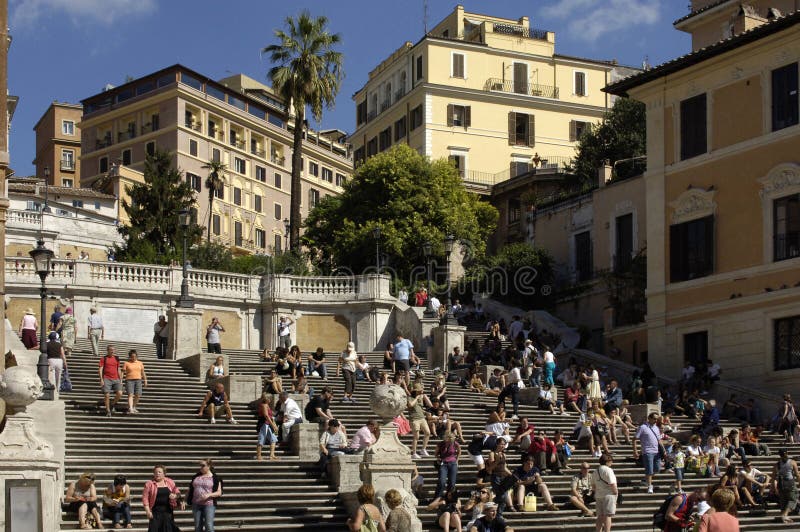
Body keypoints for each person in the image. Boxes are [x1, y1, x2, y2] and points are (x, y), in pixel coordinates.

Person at [142, 464, 184, 532]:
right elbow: (145, 498)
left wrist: (175, 496)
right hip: (155, 512)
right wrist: (147, 511)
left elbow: (178, 493)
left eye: (159, 472)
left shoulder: (169, 481)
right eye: (155, 472)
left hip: (168, 512)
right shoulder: (149, 484)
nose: (157, 474)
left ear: (164, 473)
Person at [187, 458, 222, 532]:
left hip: (209, 504)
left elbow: (219, 492)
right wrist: (184, 500)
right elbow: (190, 489)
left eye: (203, 465)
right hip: (196, 504)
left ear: (209, 466)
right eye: (200, 465)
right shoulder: (196, 477)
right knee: (197, 526)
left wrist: (209, 495)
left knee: (209, 525)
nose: (201, 467)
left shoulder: (215, 478)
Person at [632, 412, 663, 493]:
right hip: (647, 451)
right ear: (649, 418)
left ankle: (645, 480)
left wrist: (664, 450)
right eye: (654, 418)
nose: (656, 420)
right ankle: (649, 486)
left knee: (657, 469)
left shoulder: (656, 428)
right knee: (649, 470)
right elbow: (634, 439)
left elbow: (659, 440)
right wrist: (635, 451)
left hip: (657, 451)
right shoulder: (642, 427)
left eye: (657, 419)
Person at [428, 432, 460, 508]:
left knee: (452, 483)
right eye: (448, 440)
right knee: (442, 481)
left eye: (450, 441)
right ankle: (436, 499)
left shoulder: (455, 444)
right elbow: (435, 454)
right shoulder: (440, 444)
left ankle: (450, 500)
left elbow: (459, 452)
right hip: (443, 463)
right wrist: (438, 458)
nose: (449, 442)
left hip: (453, 463)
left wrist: (457, 460)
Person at [590, 453, 618, 532]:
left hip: (599, 495)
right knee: (608, 516)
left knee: (600, 516)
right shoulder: (608, 470)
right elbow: (612, 484)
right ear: (607, 461)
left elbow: (593, 486)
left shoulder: (595, 471)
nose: (612, 462)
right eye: (611, 461)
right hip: (608, 495)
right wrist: (616, 494)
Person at [773, 448, 800, 523]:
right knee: (793, 500)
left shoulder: (777, 464)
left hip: (781, 484)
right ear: (787, 453)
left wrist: (773, 488)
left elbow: (773, 477)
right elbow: (797, 474)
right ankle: (785, 515)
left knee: (783, 501)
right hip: (790, 483)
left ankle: (784, 517)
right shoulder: (792, 462)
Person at [408, 385, 432, 459]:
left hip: (422, 418)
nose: (422, 391)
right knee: (416, 436)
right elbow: (410, 405)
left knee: (428, 433)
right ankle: (414, 453)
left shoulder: (421, 398)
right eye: (421, 390)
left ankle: (423, 449)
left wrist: (425, 412)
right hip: (414, 419)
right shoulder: (410, 397)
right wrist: (416, 398)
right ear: (416, 391)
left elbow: (430, 405)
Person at [99, 345, 123, 417]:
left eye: (113, 350)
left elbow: (118, 369)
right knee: (107, 395)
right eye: (111, 350)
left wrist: (121, 379)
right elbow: (100, 369)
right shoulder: (104, 358)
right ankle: (108, 410)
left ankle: (112, 404)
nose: (112, 351)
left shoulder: (116, 358)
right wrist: (101, 379)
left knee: (120, 393)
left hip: (116, 378)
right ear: (108, 350)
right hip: (106, 378)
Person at [256, 393, 280, 461]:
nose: (271, 400)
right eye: (270, 398)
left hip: (268, 424)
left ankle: (272, 455)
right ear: (267, 399)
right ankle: (259, 455)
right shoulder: (264, 405)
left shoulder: (267, 405)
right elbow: (266, 416)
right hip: (263, 424)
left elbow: (271, 415)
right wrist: (273, 425)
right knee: (261, 439)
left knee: (273, 439)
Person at [123, 349, 147, 414]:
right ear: (130, 356)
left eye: (135, 356)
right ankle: (130, 408)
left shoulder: (140, 363)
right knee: (130, 394)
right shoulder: (126, 363)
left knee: (138, 395)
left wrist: (145, 380)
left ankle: (133, 407)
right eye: (132, 356)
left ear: (136, 356)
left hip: (138, 380)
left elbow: (142, 372)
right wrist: (120, 380)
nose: (133, 358)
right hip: (129, 380)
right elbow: (123, 372)